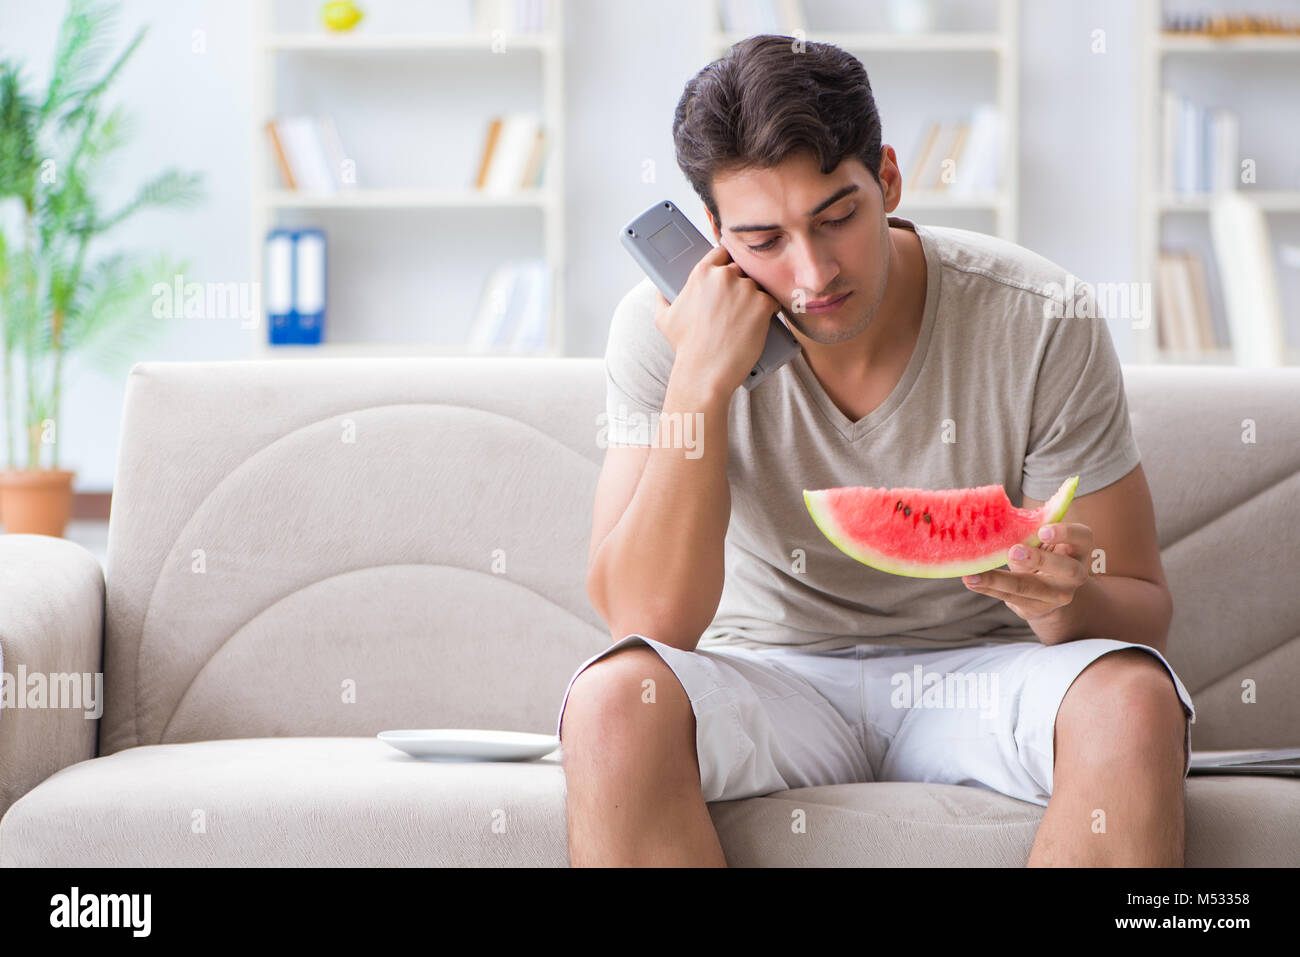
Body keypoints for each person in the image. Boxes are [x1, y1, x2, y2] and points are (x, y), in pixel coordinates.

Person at [558, 35, 1194, 867]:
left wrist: (1064, 604)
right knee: (612, 700)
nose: (813, 272)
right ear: (711, 233)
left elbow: (1143, 605)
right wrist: (700, 384)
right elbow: (646, 621)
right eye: (763, 240)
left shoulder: (1042, 316)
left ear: (887, 177)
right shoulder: (659, 333)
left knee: (1135, 702)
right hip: (769, 675)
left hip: (983, 668)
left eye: (837, 218)